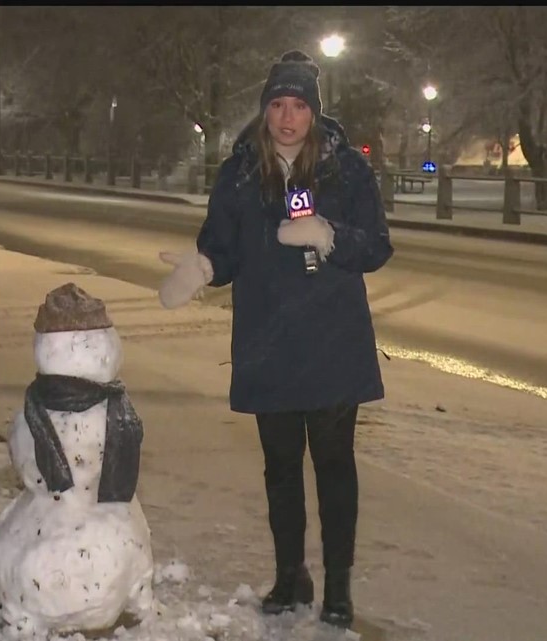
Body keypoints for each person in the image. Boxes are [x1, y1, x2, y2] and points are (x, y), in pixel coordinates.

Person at [156, 50, 394, 628]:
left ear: (314, 112)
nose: (287, 118)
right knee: (281, 468)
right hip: (269, 338)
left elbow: (377, 246)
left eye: (299, 106)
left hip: (333, 338)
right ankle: (291, 576)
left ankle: (338, 587)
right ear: (266, 110)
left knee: (335, 466)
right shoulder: (240, 172)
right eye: (278, 106)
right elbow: (223, 245)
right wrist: (204, 267)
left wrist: (329, 235)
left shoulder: (346, 169)